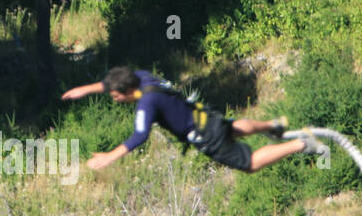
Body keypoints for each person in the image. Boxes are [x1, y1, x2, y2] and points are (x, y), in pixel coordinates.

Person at [61, 67, 326, 173]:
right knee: (233, 127)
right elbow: (115, 81)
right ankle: (272, 126)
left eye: (116, 96)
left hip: (202, 134)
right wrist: (87, 89)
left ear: (127, 91)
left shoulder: (146, 104)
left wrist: (109, 157)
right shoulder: (141, 77)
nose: (115, 98)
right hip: (202, 114)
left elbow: (139, 136)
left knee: (250, 163)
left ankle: (301, 145)